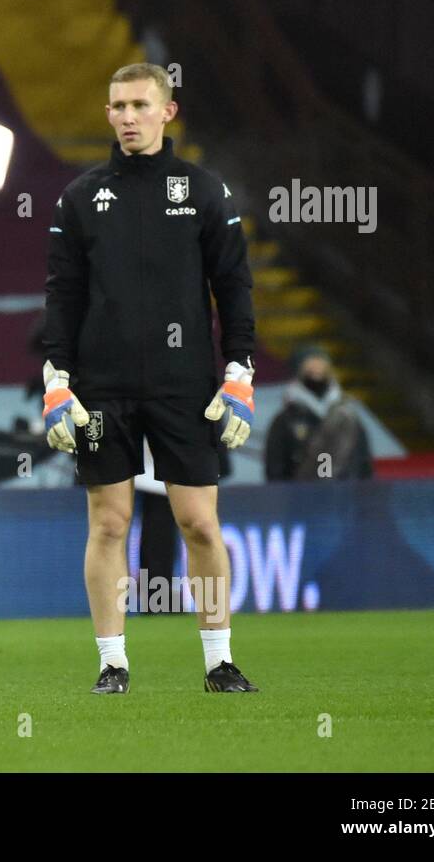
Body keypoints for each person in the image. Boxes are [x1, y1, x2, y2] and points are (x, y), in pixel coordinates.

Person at [42, 62, 259, 694]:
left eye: (140, 105)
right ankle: (113, 663)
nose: (127, 117)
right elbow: (63, 296)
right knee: (108, 523)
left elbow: (233, 288)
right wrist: (58, 378)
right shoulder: (79, 198)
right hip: (101, 387)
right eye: (117, 106)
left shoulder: (204, 190)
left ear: (168, 111)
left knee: (199, 523)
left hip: (184, 383)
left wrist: (240, 368)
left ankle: (218, 660)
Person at [265, 344, 373, 481]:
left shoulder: (347, 415)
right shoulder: (286, 420)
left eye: (321, 363)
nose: (316, 368)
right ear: (298, 369)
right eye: (310, 364)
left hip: (345, 496)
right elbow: (275, 469)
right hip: (301, 497)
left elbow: (363, 463)